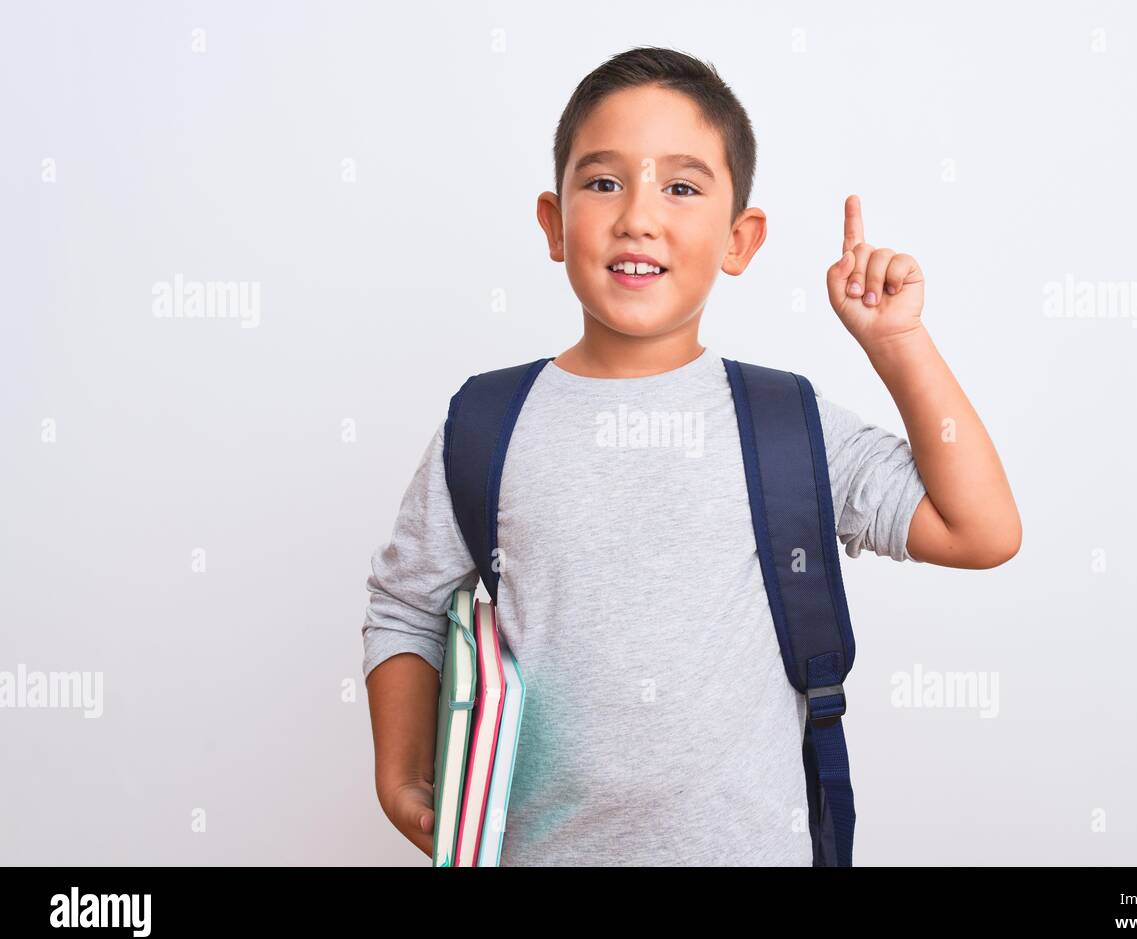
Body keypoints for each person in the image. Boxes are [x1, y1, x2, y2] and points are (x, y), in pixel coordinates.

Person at [361, 46, 1021, 866]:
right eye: (603, 182)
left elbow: (981, 529)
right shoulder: (488, 422)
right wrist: (399, 771)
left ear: (740, 239)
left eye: (681, 186)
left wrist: (897, 344)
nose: (639, 216)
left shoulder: (786, 423)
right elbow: (405, 604)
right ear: (553, 223)